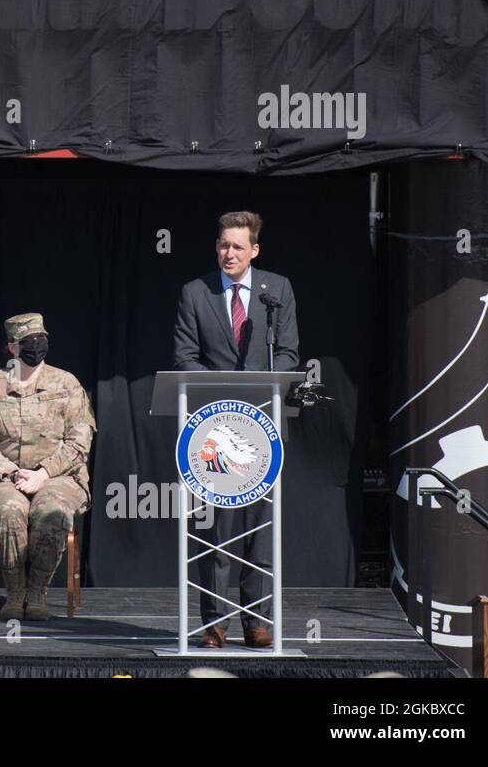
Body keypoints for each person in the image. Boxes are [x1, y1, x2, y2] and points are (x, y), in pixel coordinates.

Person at [173, 211, 299, 649]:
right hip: (215, 424)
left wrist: (256, 382)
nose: (229, 253)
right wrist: (223, 390)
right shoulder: (196, 292)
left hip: (264, 420)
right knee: (219, 528)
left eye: (238, 246)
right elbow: (185, 356)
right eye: (224, 245)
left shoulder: (277, 289)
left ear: (254, 251)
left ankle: (258, 620)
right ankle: (215, 622)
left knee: (261, 525)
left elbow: (288, 352)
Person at [0, 313, 95, 621]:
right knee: (10, 511)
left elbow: (80, 441)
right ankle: (16, 591)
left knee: (51, 511)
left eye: (41, 340)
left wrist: (44, 473)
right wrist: (11, 472)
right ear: (12, 347)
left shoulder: (67, 384)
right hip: (6, 477)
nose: (36, 346)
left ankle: (37, 591)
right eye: (28, 342)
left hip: (59, 476)